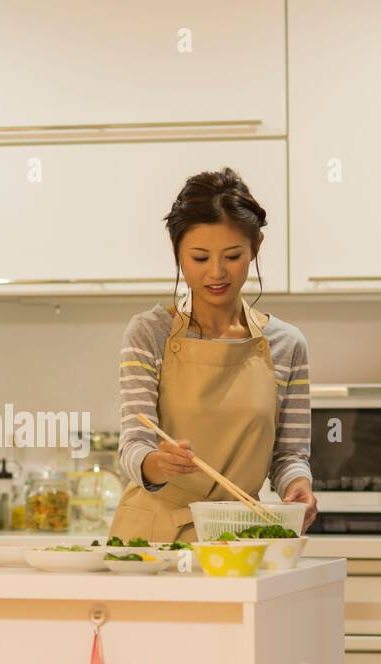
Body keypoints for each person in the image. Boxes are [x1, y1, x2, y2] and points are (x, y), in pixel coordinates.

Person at [110, 167, 316, 543]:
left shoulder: (287, 345)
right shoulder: (148, 334)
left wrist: (297, 485)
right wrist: (160, 464)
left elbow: (289, 455)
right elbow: (134, 444)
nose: (217, 273)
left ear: (256, 248)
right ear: (178, 255)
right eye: (200, 258)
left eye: (233, 255)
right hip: (152, 544)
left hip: (240, 541)